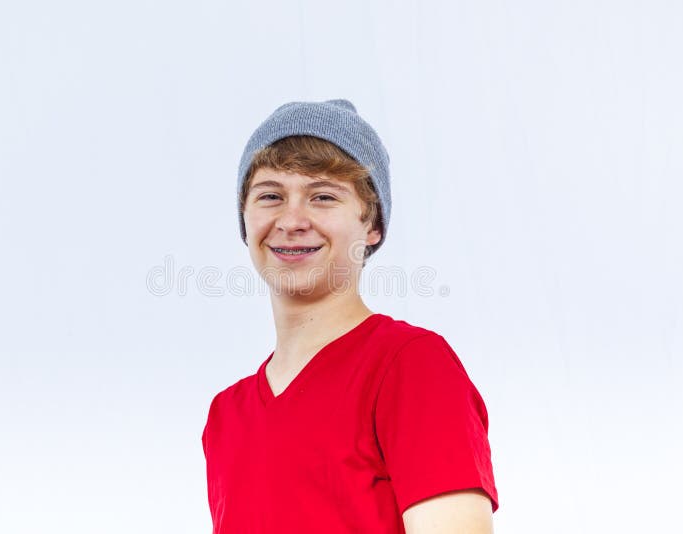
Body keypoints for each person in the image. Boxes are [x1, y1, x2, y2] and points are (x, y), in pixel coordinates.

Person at [201, 99, 498, 533]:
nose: (292, 219)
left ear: (372, 225)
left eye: (323, 196)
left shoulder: (411, 367)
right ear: (245, 221)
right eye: (270, 195)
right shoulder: (226, 416)